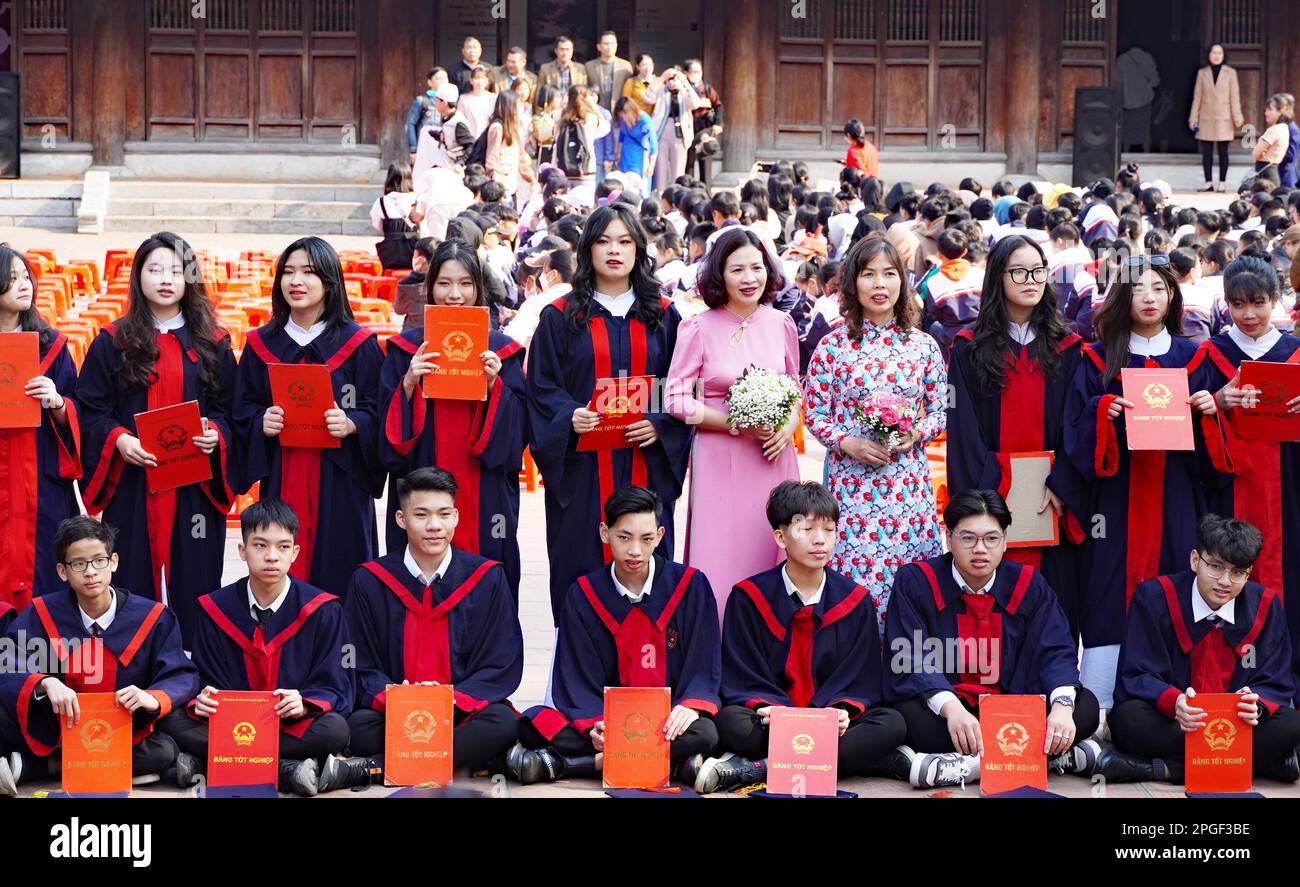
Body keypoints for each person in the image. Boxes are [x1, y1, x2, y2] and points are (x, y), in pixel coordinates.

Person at [1064, 256, 1231, 711]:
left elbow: (1216, 459)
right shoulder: (1096, 357)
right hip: (1115, 499)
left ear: (1173, 296)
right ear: (1123, 296)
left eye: (1160, 288)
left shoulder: (1196, 356)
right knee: (1106, 587)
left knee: (1177, 579)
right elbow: (1074, 434)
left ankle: (1175, 698)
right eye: (1139, 288)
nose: (1150, 298)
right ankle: (1098, 703)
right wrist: (1104, 413)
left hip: (1176, 494)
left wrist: (1208, 412)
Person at [883, 491, 1132, 789]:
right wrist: (952, 709)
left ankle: (967, 765)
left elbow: (1056, 650)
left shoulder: (1028, 584)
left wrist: (1063, 707)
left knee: (1085, 708)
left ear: (1005, 541)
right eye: (968, 538)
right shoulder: (917, 582)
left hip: (1014, 706)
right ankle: (1043, 757)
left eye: (991, 538)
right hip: (952, 711)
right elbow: (909, 655)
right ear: (948, 538)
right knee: (905, 718)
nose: (980, 549)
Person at [525, 203, 692, 623]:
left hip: (645, 463)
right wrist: (569, 415)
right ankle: (578, 668)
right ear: (587, 250)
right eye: (602, 241)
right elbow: (541, 388)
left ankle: (650, 666)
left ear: (638, 248)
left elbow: (682, 385)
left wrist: (660, 423)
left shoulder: (664, 315)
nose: (614, 251)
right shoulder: (561, 316)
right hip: (584, 468)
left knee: (646, 559)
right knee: (581, 560)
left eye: (624, 241)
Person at [692, 481, 906, 793]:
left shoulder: (855, 600)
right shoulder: (749, 597)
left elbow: (862, 675)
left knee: (892, 723)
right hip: (770, 720)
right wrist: (772, 708)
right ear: (780, 537)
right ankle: (865, 762)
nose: (820, 540)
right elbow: (741, 671)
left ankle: (759, 768)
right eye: (806, 529)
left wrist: (842, 710)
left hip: (834, 723)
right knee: (729, 723)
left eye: (829, 530)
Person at [77, 233, 237, 647]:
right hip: (133, 483)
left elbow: (234, 411)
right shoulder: (113, 342)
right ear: (138, 277)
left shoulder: (214, 344)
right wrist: (117, 440)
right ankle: (134, 664)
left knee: (196, 577)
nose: (165, 279)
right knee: (131, 573)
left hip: (194, 487)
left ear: (190, 278)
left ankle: (197, 669)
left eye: (175, 270)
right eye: (154, 269)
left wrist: (215, 435)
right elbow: (90, 409)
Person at [509, 486, 720, 784]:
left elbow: (703, 661)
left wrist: (690, 706)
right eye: (624, 537)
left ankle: (578, 764)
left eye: (647, 539)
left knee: (707, 731)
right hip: (607, 722)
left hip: (666, 721)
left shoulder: (690, 587)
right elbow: (575, 676)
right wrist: (594, 724)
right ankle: (673, 764)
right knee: (534, 721)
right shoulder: (584, 595)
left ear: (660, 536)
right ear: (604, 533)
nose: (635, 550)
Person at [158, 499, 364, 796]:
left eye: (282, 547)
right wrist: (202, 699)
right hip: (233, 726)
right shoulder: (214, 609)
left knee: (336, 728)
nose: (271, 556)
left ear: (295, 553)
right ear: (242, 550)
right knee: (173, 719)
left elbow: (337, 683)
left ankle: (213, 764)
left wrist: (305, 702)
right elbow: (202, 676)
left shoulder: (323, 609)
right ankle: (286, 770)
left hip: (291, 724)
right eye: (260, 545)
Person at [946, 235, 1089, 641]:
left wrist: (1062, 482)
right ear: (998, 277)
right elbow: (964, 433)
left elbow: (1078, 424)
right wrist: (994, 494)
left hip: (1052, 502)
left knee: (1054, 601)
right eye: (1019, 271)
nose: (1031, 280)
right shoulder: (968, 349)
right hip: (994, 499)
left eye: (1039, 271)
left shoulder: (1069, 347)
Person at [233, 237, 385, 602]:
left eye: (308, 272)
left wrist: (353, 424)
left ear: (330, 282)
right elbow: (240, 411)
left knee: (341, 570)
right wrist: (260, 422)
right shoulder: (260, 345)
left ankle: (341, 651)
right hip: (283, 473)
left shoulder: (359, 344)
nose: (295, 281)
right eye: (288, 272)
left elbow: (379, 409)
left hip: (341, 480)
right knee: (280, 560)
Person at [0, 517, 198, 796]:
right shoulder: (41, 614)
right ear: (62, 571)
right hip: (56, 729)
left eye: (99, 561)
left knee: (165, 741)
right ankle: (111, 767)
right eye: (78, 564)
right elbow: (8, 665)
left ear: (113, 562)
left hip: (126, 730)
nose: (91, 572)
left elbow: (181, 673)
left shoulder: (152, 618)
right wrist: (43, 682)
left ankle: (41, 766)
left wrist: (151, 697)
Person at [344, 467, 522, 779]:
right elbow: (356, 660)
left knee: (503, 722)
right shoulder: (370, 581)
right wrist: (399, 698)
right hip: (396, 713)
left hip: (461, 713)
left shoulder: (487, 578)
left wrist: (451, 699)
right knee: (352, 726)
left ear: (455, 516)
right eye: (421, 515)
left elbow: (502, 659)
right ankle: (453, 760)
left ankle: (382, 766)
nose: (434, 526)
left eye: (443, 514)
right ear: (401, 519)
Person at [804, 236, 946, 620]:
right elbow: (814, 414)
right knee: (855, 580)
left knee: (911, 577)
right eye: (869, 275)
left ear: (902, 282)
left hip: (907, 486)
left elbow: (940, 411)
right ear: (853, 283)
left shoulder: (923, 346)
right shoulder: (833, 346)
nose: (880, 285)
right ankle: (855, 667)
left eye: (889, 274)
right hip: (853, 486)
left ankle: (911, 671)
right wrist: (847, 442)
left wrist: (915, 433)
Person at [665, 227, 801, 621]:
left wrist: (787, 424)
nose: (749, 278)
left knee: (772, 546)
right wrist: (734, 424)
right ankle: (716, 648)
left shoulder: (781, 324)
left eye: (757, 268)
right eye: (737, 269)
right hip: (719, 457)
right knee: (719, 554)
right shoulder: (697, 327)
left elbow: (795, 386)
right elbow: (674, 397)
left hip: (773, 457)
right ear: (719, 275)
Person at [379, 241, 527, 599]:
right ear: (430, 288)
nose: (455, 295)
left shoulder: (503, 352)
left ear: (478, 289)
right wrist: (409, 384)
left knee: (486, 584)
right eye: (444, 283)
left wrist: (496, 388)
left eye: (465, 284)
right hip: (420, 477)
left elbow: (519, 435)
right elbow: (384, 440)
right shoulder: (404, 351)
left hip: (483, 490)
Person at [1110, 515, 1300, 784]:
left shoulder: (1266, 606)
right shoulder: (1155, 598)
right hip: (1176, 722)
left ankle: (1167, 769)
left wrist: (1255, 704)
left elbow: (1277, 681)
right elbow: (1136, 674)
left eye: (1238, 572)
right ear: (1195, 560)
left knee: (1290, 725)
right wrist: (1174, 702)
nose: (1225, 581)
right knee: (1127, 721)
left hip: (1235, 726)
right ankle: (1254, 764)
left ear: (1249, 572)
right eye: (1216, 566)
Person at [1194, 255, 1300, 658]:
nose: (1249, 313)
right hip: (1228, 488)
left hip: (1286, 490)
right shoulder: (1209, 355)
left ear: (1276, 299)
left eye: (1258, 301)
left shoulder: (1295, 352)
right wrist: (1216, 401)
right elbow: (1186, 433)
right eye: (1237, 304)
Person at [0, 245, 80, 610]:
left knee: (45, 568)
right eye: (12, 278)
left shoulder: (54, 347)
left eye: (26, 277)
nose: (24, 285)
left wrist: (58, 401)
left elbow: (82, 414)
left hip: (41, 479)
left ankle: (42, 657)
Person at [918, 226, 983, 355]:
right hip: (980, 329)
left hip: (951, 333)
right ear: (965, 252)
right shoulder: (980, 274)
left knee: (934, 327)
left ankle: (945, 363)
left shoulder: (933, 282)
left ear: (939, 255)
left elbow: (935, 313)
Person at [1189, 44, 1244, 192]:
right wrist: (1193, 118)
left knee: (1223, 152)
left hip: (1224, 117)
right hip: (1206, 117)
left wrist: (1237, 116)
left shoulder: (1230, 73)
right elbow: (1197, 97)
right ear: (1209, 55)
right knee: (1206, 152)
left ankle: (1222, 182)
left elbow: (1235, 96)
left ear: (1223, 55)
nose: (1216, 55)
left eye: (1219, 53)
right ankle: (1208, 182)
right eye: (1214, 52)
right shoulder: (1202, 73)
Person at [648, 65, 704, 193]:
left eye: (675, 79)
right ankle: (660, 200)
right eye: (670, 79)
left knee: (678, 170)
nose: (672, 82)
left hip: (680, 133)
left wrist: (685, 82)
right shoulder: (661, 90)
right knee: (660, 171)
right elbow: (648, 97)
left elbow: (695, 103)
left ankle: (676, 201)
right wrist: (661, 78)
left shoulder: (684, 92)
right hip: (661, 131)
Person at [484, 89, 536, 207]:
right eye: (517, 105)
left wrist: (532, 179)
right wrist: (495, 181)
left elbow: (521, 158)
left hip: (511, 185)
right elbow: (492, 157)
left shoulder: (514, 128)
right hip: (500, 189)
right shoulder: (497, 128)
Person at [371, 161, 423, 270]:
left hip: (390, 255)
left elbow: (377, 225)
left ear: (389, 178)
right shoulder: (418, 200)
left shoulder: (381, 202)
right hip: (414, 255)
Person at [683, 59, 723, 186]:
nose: (696, 74)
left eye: (699, 71)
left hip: (703, 126)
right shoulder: (683, 88)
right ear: (686, 73)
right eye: (693, 71)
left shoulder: (706, 88)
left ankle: (705, 189)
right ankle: (688, 188)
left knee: (703, 157)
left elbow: (718, 105)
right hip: (687, 126)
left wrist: (718, 123)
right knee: (688, 161)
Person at [405, 67, 446, 164]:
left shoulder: (450, 102)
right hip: (424, 147)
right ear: (430, 82)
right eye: (438, 78)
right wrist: (413, 149)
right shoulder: (422, 101)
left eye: (445, 78)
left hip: (443, 149)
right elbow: (410, 124)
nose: (442, 81)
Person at [585, 31, 633, 112]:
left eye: (612, 44)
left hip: (619, 110)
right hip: (596, 110)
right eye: (606, 44)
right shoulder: (589, 66)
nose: (609, 47)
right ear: (599, 47)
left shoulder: (626, 66)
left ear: (616, 46)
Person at [613, 97, 656, 187]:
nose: (623, 117)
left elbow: (653, 145)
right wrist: (618, 153)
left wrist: (651, 165)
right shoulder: (622, 120)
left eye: (624, 114)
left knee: (641, 185)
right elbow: (621, 137)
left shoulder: (644, 120)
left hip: (640, 157)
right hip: (626, 155)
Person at [1252, 93, 1292, 188]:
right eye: (1266, 109)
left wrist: (1261, 152)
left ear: (1280, 111)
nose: (1266, 113)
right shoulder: (1284, 128)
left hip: (1265, 174)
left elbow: (1255, 154)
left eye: (1270, 110)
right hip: (1272, 172)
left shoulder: (1274, 130)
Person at [457, 65, 497, 141]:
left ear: (487, 81)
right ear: (471, 80)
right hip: (470, 139)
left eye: (483, 78)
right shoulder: (463, 99)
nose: (480, 82)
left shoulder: (494, 98)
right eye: (477, 78)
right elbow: (460, 121)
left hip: (489, 138)